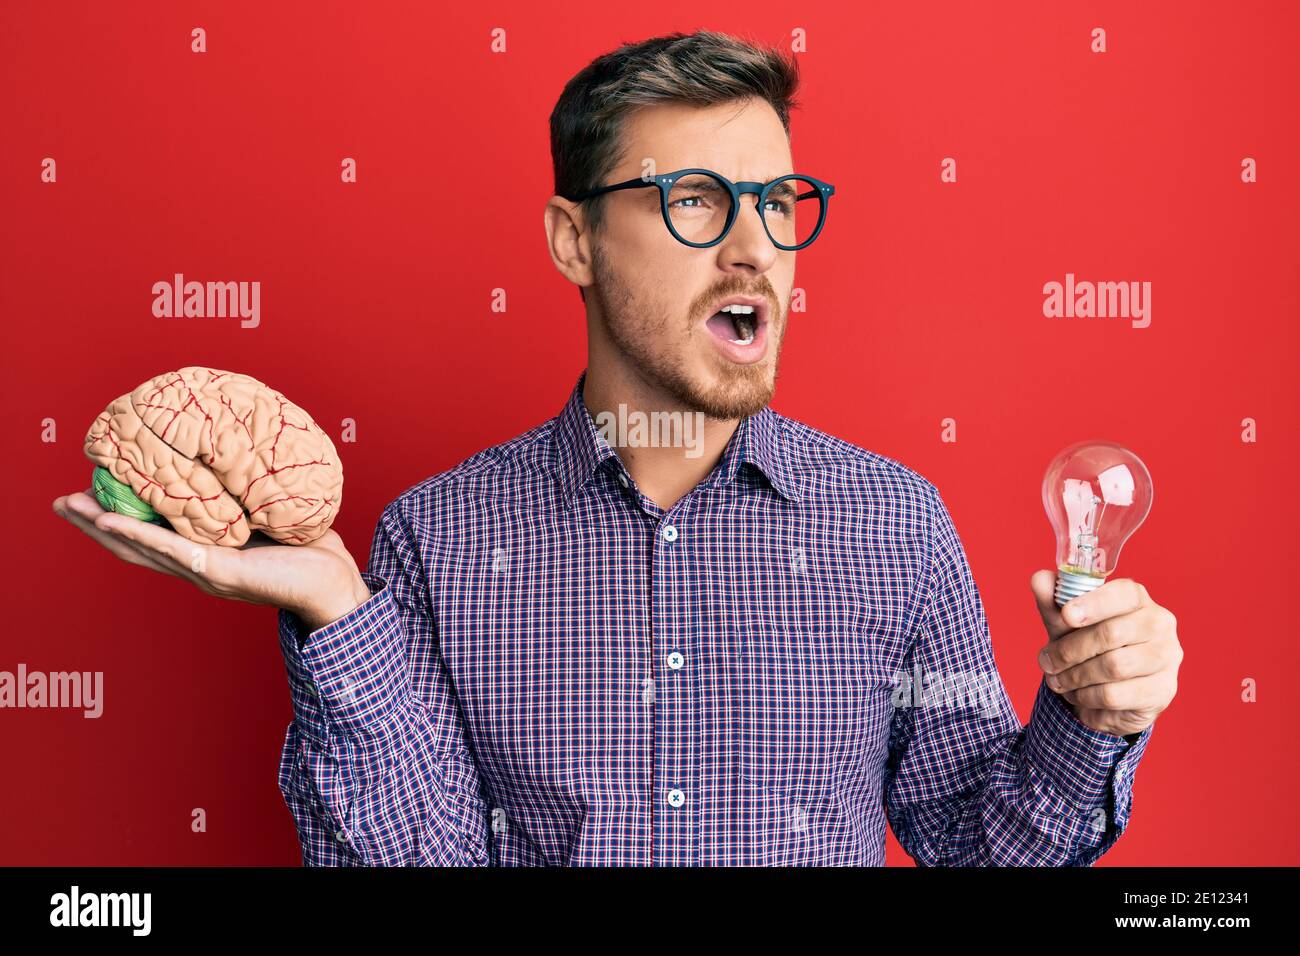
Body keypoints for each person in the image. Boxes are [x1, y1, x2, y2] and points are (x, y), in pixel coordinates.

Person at [52, 29, 1181, 866]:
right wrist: (341, 614)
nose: (754, 249)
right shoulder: (439, 539)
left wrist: (1090, 720)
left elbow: (980, 845)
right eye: (695, 199)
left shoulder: (893, 523)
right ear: (572, 239)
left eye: (779, 201)